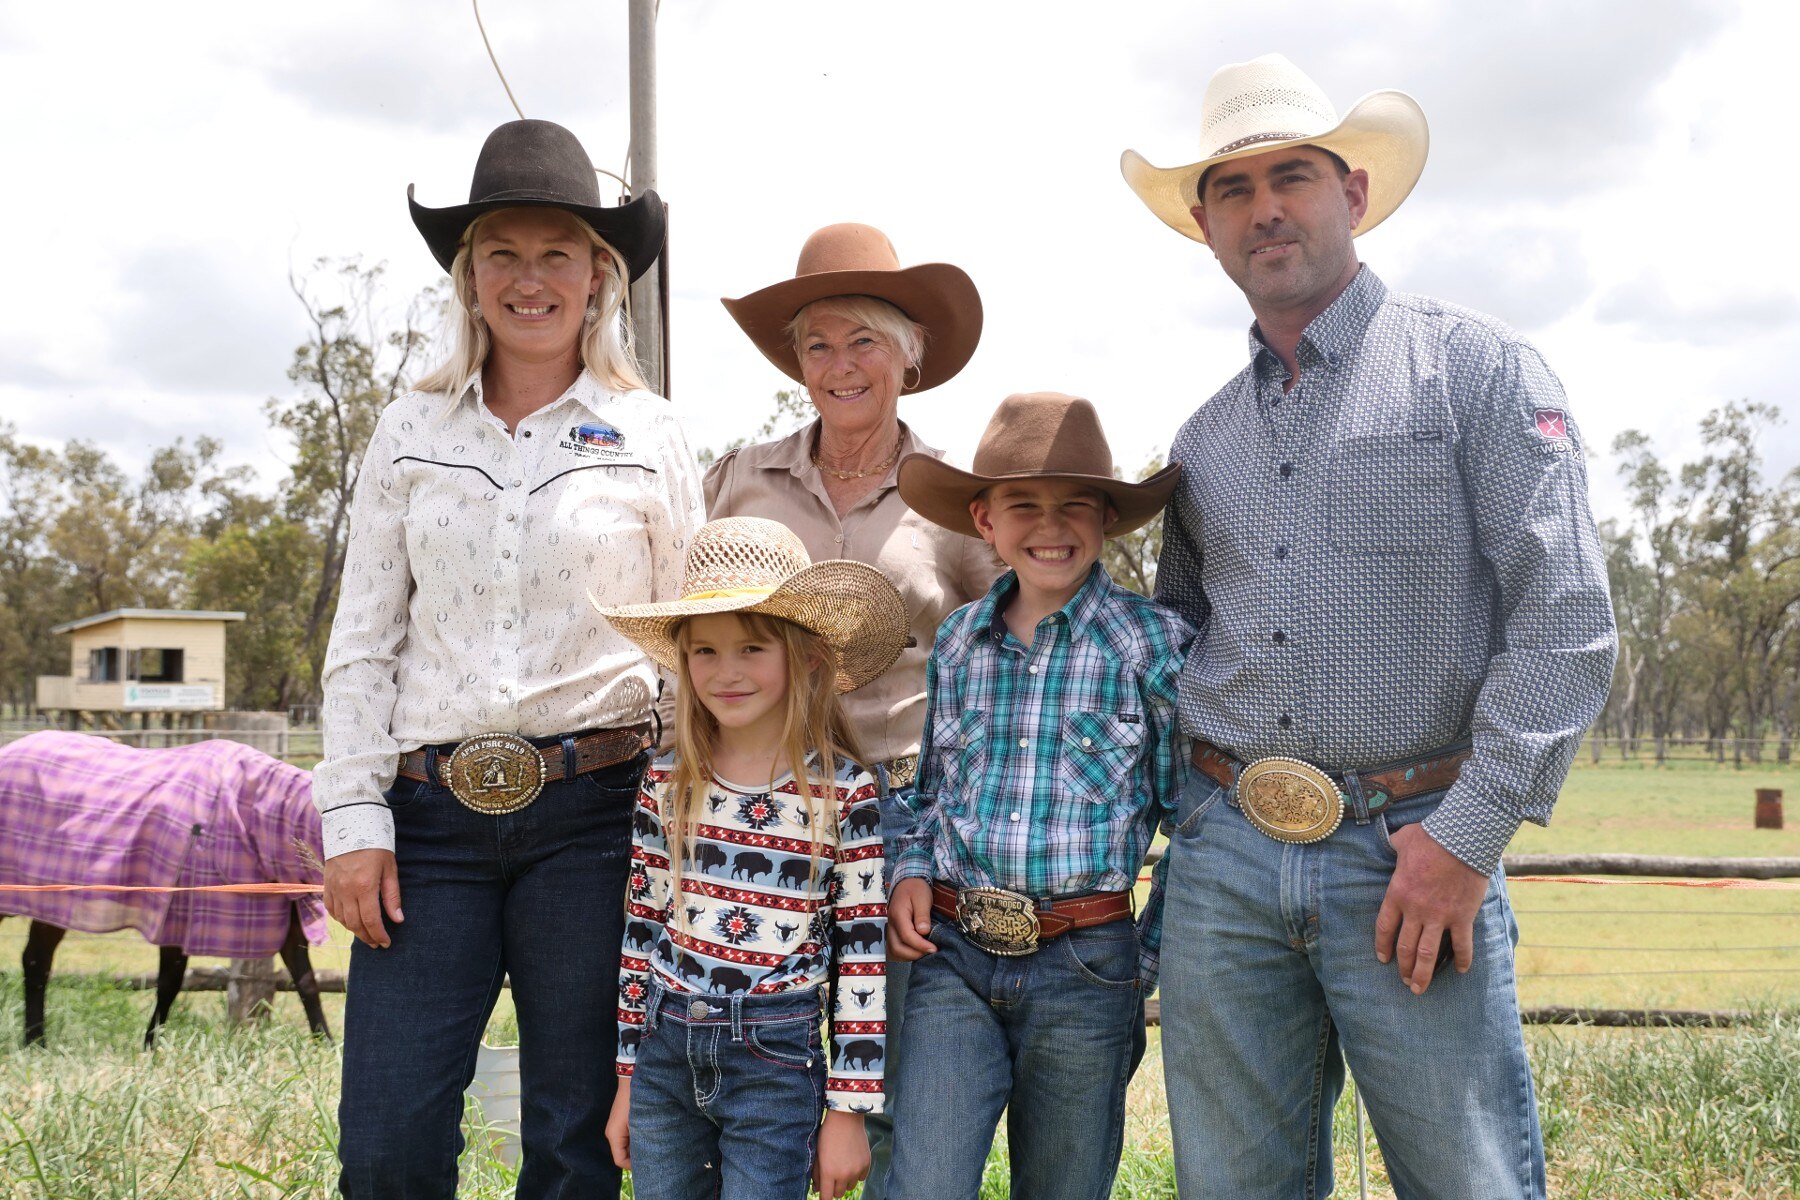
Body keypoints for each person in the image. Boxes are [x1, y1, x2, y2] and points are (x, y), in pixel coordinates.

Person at [1119, 54, 1618, 1199]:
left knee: (1467, 1179)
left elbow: (1569, 620)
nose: (1266, 210)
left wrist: (1467, 839)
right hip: (1229, 856)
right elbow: (1180, 636)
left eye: (1290, 177)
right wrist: (1185, 828)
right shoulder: (1204, 440)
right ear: (1204, 226)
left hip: (1413, 847)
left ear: (1352, 192)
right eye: (1234, 191)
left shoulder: (1475, 372)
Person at [317, 118, 703, 1199]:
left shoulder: (652, 433)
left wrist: (679, 820)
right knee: (387, 1141)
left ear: (598, 278)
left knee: (575, 1141)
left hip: (598, 815)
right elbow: (363, 643)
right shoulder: (409, 429)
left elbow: (686, 644)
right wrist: (352, 825)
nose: (530, 278)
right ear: (469, 276)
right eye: (503, 253)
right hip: (425, 821)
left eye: (557, 254)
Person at [707, 221, 1005, 1195]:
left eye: (863, 340)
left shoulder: (953, 499)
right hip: (760, 813)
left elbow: (1001, 651)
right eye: (819, 343)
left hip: (903, 814)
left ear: (908, 359)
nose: (840, 365)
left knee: (888, 1088)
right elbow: (690, 634)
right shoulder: (740, 481)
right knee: (760, 1074)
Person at [882, 393, 1190, 1200]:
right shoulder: (959, 640)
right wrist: (911, 867)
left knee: (1063, 1184)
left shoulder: (1150, 645)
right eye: (1024, 505)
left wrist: (1141, 955)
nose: (1050, 526)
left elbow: (1193, 813)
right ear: (984, 519)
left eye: (1074, 506)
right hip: (955, 948)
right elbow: (931, 786)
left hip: (1085, 963)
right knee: (924, 1181)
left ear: (1107, 520)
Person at [595, 517, 909, 1200]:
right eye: (704, 651)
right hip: (664, 1049)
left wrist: (849, 1111)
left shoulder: (843, 791)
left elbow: (860, 952)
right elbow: (642, 930)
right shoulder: (667, 778)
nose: (726, 671)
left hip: (776, 1055)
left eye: (752, 648)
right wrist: (626, 1077)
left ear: (807, 657)